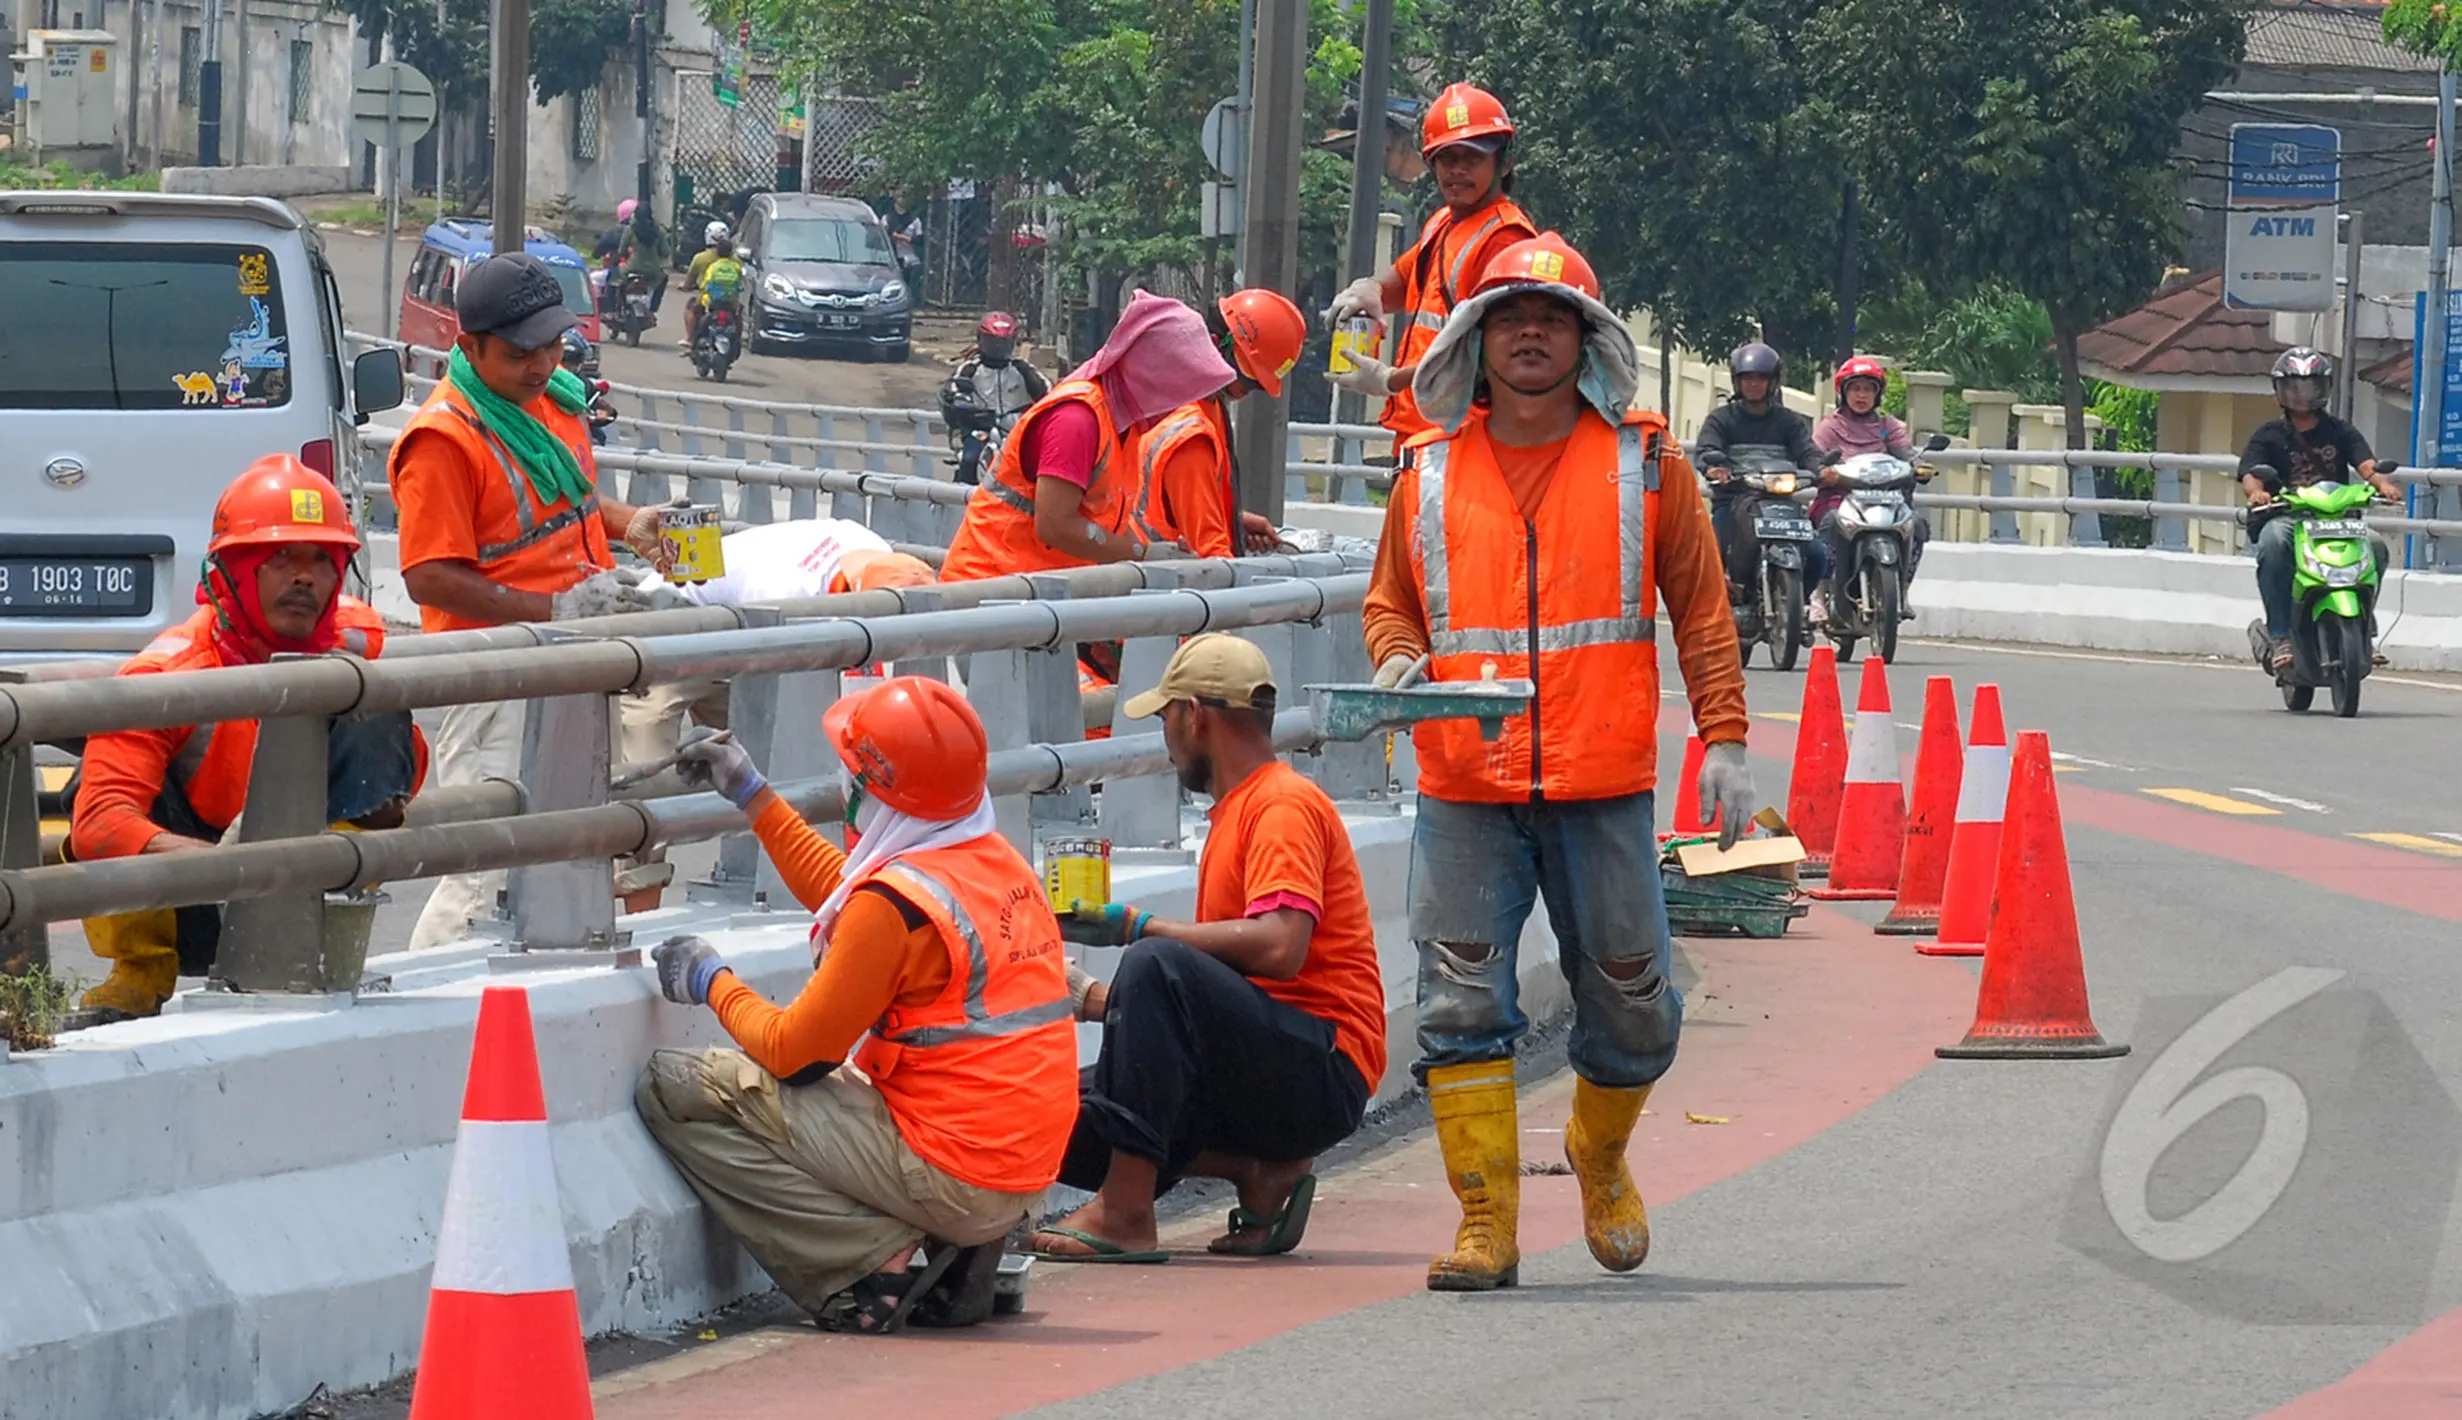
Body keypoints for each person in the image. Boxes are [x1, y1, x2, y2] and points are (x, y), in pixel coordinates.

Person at [1361, 232, 1753, 1292]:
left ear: (1587, 339)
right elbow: (1390, 600)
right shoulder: (1425, 472)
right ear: (1473, 340)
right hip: (1466, 786)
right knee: (1456, 1000)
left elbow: (1702, 612)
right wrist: (1397, 657)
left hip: (1602, 782)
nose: (1529, 333)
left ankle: (1600, 1150)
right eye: (1507, 317)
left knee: (1632, 1000)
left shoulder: (1648, 463)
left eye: (1552, 318)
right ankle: (1485, 1220)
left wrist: (1722, 738)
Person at [636, 677, 1077, 1331]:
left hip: (957, 1172)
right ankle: (949, 1241)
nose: (844, 784)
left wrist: (712, 980)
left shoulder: (897, 904)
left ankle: (866, 1264)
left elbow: (794, 1052)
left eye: (851, 771)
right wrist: (752, 794)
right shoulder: (991, 862)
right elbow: (848, 895)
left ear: (877, 788)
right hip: (1021, 1166)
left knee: (671, 1087)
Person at [1026, 635, 1385, 1263]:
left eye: (1166, 717)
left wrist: (1138, 928)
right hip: (1271, 1064)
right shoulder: (1237, 811)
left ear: (1195, 715)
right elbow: (1210, 1009)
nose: (1166, 737)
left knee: (1155, 963)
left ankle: (1127, 1211)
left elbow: (1280, 949)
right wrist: (1095, 999)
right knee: (1038, 1110)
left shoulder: (1281, 805)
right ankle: (1257, 1169)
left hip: (1324, 1069)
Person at [66, 458, 426, 1022]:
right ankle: (139, 974)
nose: (304, 578)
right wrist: (231, 869)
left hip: (313, 892)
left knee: (377, 708)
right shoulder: (169, 678)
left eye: (321, 561)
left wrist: (290, 865)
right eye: (280, 558)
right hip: (194, 890)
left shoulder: (356, 653)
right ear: (229, 573)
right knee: (92, 788)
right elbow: (100, 825)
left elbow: (398, 785)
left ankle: (327, 948)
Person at [388, 252, 678, 951]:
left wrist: (626, 523)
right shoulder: (443, 439)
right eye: (523, 352)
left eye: (553, 344)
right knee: (490, 866)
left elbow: (564, 501)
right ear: (469, 347)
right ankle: (428, 1006)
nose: (544, 363)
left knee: (563, 852)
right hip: (496, 677)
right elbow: (429, 577)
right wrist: (556, 613)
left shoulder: (542, 402)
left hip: (572, 664)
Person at [615, 520, 937, 795]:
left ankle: (757, 848)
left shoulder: (874, 552)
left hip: (735, 625)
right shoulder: (786, 593)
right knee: (652, 747)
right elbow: (779, 698)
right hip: (671, 623)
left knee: (754, 761)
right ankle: (640, 865)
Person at [939, 290, 1232, 580]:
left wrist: (1152, 550)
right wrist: (1142, 554)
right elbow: (1055, 526)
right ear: (1152, 373)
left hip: (1041, 599)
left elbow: (1106, 523)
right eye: (1180, 389)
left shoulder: (1122, 430)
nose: (1181, 403)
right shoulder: (1077, 420)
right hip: (989, 593)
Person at [1325, 83, 1537, 448]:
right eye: (1446, 158)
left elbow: (1489, 359)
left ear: (1505, 161)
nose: (1457, 170)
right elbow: (1406, 276)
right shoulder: (1444, 222)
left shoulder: (1505, 240)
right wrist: (1370, 290)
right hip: (1422, 436)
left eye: (1471, 158)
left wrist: (1391, 379)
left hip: (1463, 441)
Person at [2240, 346, 2401, 673]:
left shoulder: (2340, 430)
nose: (2301, 395)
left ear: (2324, 388)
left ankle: (2364, 629)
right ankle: (2281, 634)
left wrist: (2382, 485)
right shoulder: (2269, 434)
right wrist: (2258, 494)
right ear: (2280, 390)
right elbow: (2251, 473)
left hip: (2337, 519)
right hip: (2288, 518)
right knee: (2272, 544)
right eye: (2294, 387)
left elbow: (2366, 463)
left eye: (2310, 386)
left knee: (2377, 547)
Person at [1123, 289, 1306, 560]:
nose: (1249, 389)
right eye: (1248, 378)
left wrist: (1232, 519)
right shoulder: (1190, 437)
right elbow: (1212, 559)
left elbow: (1181, 508)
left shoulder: (1208, 405)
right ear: (1215, 343)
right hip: (1163, 590)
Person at [1695, 342, 1830, 603]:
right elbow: (1707, 449)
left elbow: (1807, 451)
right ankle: (1722, 610)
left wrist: (1821, 469)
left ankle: (1794, 607)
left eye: (1761, 378)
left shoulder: (1789, 421)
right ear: (1737, 381)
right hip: (1733, 502)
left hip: (1780, 501)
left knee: (1816, 554)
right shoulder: (1721, 419)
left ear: (1773, 382)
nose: (1754, 384)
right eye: (1748, 378)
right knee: (1713, 555)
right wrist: (1715, 468)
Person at [1809, 355, 1928, 624]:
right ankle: (1819, 594)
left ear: (1878, 394)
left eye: (1867, 389)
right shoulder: (1831, 426)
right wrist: (1822, 471)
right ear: (1843, 392)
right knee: (1828, 524)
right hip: (1840, 498)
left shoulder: (1889, 427)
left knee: (1918, 526)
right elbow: (1813, 456)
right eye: (1855, 388)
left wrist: (1919, 467)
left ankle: (1901, 591)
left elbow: (1906, 454)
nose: (1861, 395)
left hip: (1887, 499)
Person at [938, 312, 1050, 486]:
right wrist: (967, 408)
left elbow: (1047, 392)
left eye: (1003, 343)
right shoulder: (970, 368)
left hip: (1016, 430)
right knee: (970, 459)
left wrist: (1035, 392)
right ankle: (962, 498)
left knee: (1041, 464)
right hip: (982, 429)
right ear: (981, 340)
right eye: (993, 343)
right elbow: (954, 393)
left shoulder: (1022, 368)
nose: (998, 348)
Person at [684, 235, 745, 351]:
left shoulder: (712, 266)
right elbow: (740, 282)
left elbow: (705, 283)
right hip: (731, 301)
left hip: (712, 301)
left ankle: (690, 339)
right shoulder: (737, 264)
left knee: (693, 307)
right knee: (739, 313)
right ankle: (738, 339)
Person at [558, 329, 616, 447]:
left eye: (571, 364)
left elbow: (599, 405)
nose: (566, 368)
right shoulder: (541, 381)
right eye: (562, 363)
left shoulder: (582, 383)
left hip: (575, 431)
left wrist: (605, 413)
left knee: (598, 437)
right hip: (549, 431)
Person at [619, 203, 668, 314]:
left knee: (617, 277)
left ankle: (618, 306)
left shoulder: (629, 230)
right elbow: (665, 252)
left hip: (632, 268)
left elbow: (621, 250)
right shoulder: (659, 231)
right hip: (653, 271)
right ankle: (652, 309)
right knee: (662, 280)